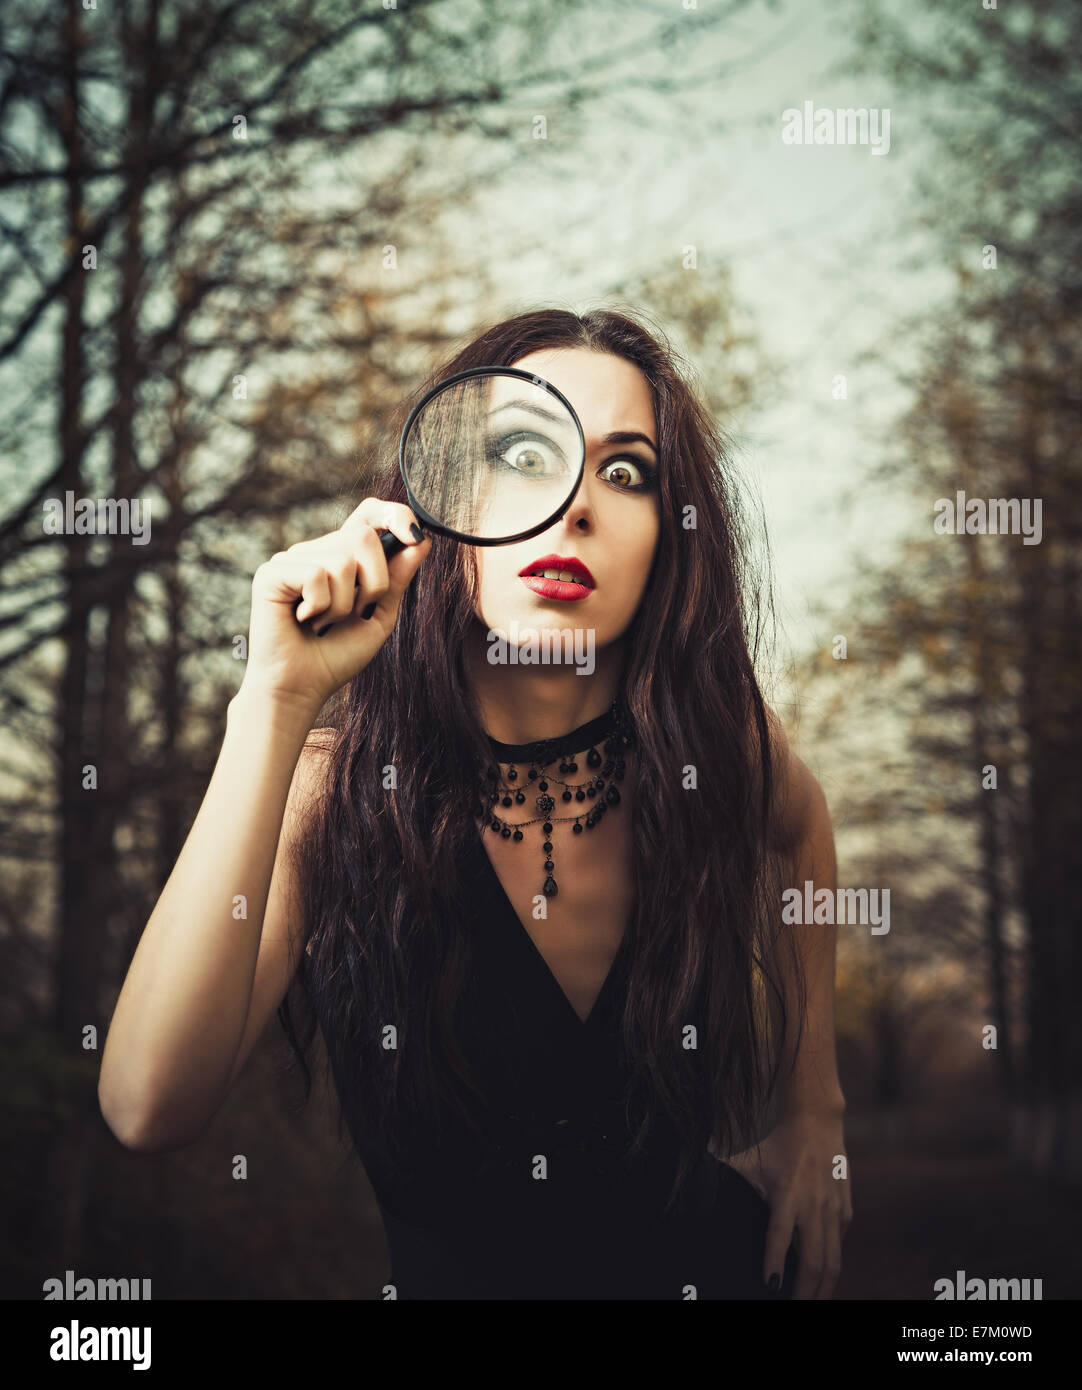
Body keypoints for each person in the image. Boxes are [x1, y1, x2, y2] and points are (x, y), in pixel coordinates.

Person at [98, 306, 851, 1300]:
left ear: (667, 541)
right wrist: (273, 702)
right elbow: (149, 1105)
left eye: (624, 472)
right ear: (443, 502)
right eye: (525, 453)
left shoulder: (705, 750)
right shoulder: (333, 789)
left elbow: (801, 829)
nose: (575, 503)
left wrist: (813, 1110)